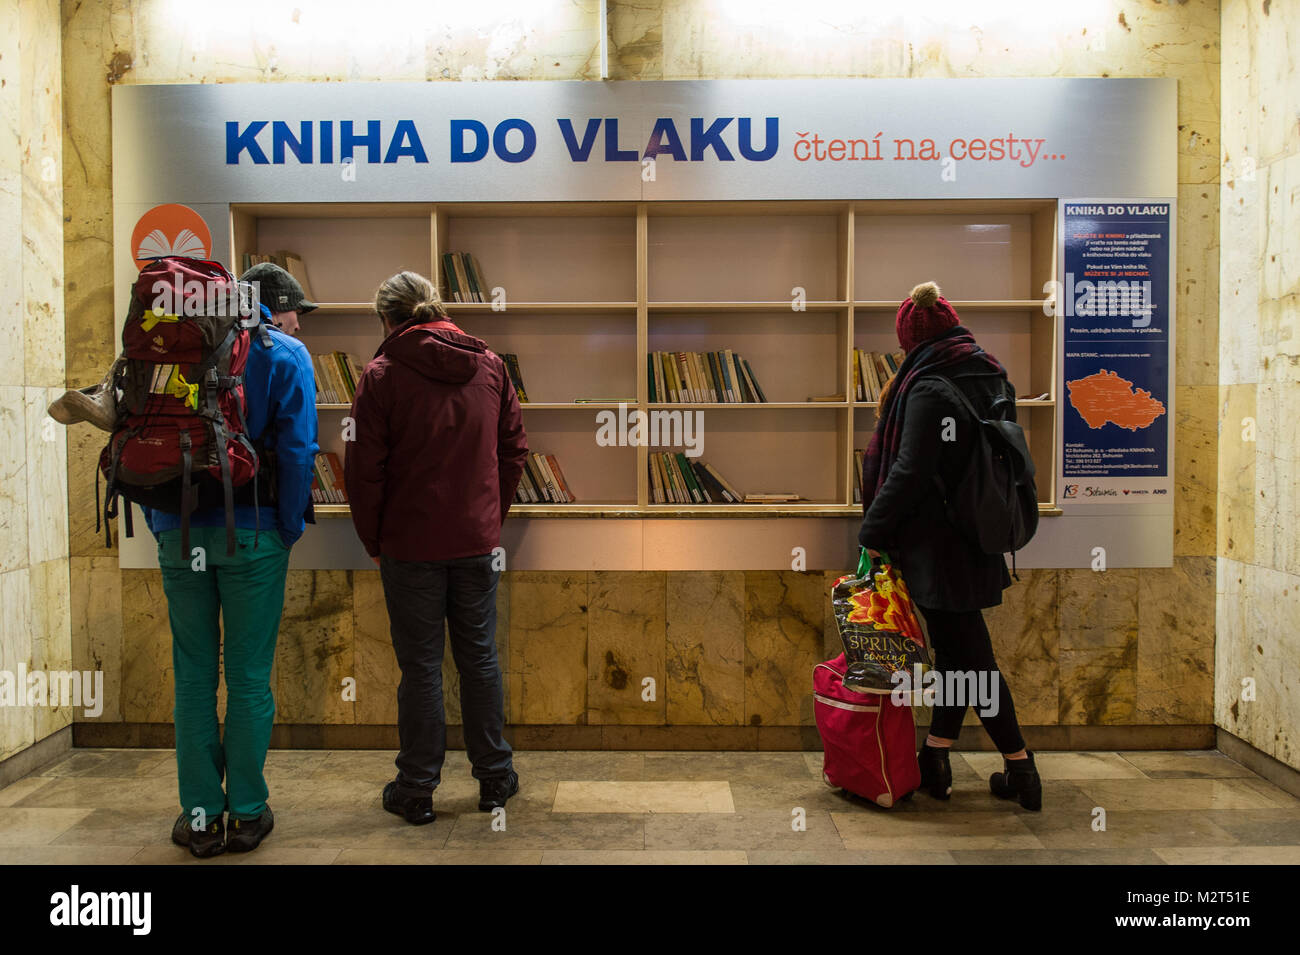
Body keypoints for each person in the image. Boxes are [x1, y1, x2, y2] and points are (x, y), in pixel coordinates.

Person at [146, 263, 319, 856]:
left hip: (178, 531)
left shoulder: (171, 345)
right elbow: (298, 452)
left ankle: (198, 817)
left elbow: (140, 435)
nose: (300, 320)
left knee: (193, 677)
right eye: (297, 308)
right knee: (247, 678)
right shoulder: (287, 353)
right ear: (274, 306)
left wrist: (165, 522)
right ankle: (246, 813)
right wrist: (287, 526)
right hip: (253, 533)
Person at [345, 270, 528, 825]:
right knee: (479, 657)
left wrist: (373, 539)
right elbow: (514, 451)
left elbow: (362, 470)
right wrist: (487, 517)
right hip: (476, 542)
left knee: (420, 665)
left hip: (409, 544)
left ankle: (417, 788)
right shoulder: (491, 366)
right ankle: (495, 779)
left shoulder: (380, 375)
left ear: (388, 319)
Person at [857, 281, 1041, 811]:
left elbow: (912, 470)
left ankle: (1021, 767)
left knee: (972, 660)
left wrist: (872, 532)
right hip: (979, 534)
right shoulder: (988, 371)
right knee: (957, 653)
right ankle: (935, 758)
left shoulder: (930, 386)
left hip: (938, 546)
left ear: (910, 339)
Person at [241, 261, 317, 335]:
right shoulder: (290, 347)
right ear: (275, 309)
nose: (297, 327)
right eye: (296, 311)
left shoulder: (234, 342)